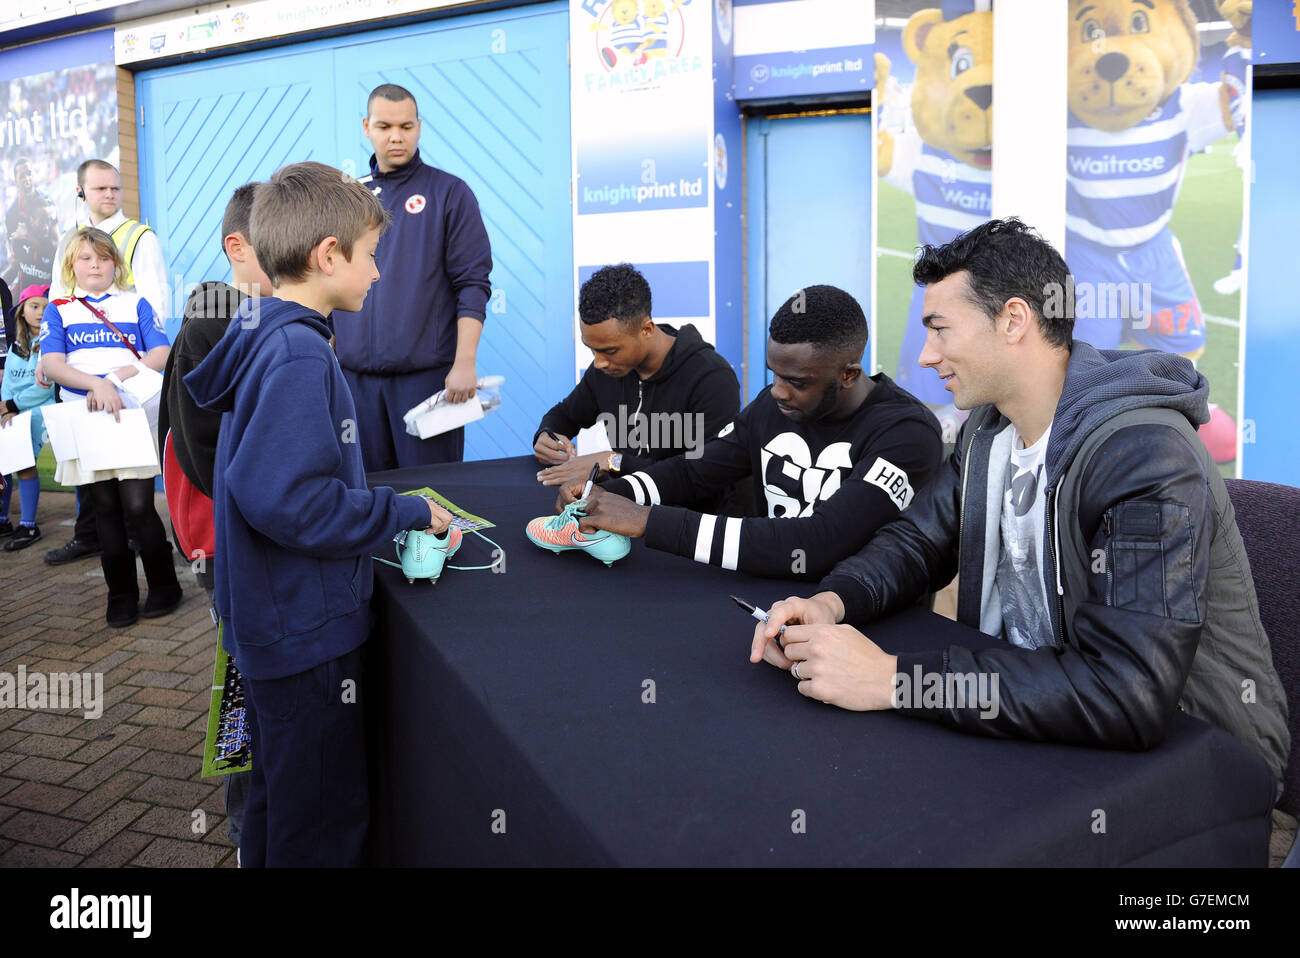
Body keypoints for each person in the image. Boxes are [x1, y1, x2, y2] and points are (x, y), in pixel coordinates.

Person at [751, 219, 1289, 797]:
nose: (926, 355)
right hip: (1033, 721)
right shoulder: (988, 428)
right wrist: (832, 602)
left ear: (1013, 320)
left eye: (939, 329)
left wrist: (895, 680)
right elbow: (917, 541)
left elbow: (1126, 693)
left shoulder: (1144, 452)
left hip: (1197, 764)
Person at [183, 160, 458, 867]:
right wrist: (398, 513)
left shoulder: (271, 336)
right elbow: (289, 500)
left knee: (281, 803)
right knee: (325, 823)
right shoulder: (301, 355)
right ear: (327, 255)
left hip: (271, 625)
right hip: (303, 635)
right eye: (370, 257)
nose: (377, 274)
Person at [557, 285, 944, 580]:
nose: (777, 389)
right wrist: (608, 495)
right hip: (771, 602)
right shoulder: (771, 405)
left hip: (870, 628)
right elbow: (696, 469)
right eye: (774, 373)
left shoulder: (906, 434)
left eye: (795, 380)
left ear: (848, 375)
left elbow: (817, 543)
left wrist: (647, 521)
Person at [157, 182, 269, 855]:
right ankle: (242, 830)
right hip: (224, 545)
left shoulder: (256, 310)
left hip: (230, 539)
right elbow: (203, 456)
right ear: (239, 247)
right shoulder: (218, 315)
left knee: (245, 681)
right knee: (238, 689)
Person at [331, 83, 492, 470]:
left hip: (428, 384)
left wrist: (464, 363)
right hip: (355, 385)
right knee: (368, 495)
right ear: (366, 126)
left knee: (436, 497)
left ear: (419, 126)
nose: (396, 136)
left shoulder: (450, 193)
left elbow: (473, 283)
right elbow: (326, 279)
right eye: (385, 126)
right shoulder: (349, 198)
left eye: (406, 126)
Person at [40, 228, 182, 627]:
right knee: (103, 507)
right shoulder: (60, 309)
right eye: (85, 259)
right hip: (84, 417)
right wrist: (96, 384)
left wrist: (115, 378)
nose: (95, 265)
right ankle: (120, 594)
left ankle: (165, 585)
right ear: (72, 266)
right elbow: (53, 364)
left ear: (116, 264)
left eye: (103, 258)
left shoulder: (135, 303)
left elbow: (160, 352)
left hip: (130, 415)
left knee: (138, 506)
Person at [45, 159, 172, 567]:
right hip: (80, 386)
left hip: (129, 386)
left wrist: (126, 374)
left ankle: (152, 563)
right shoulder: (70, 241)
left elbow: (153, 303)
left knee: (135, 500)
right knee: (98, 495)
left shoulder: (138, 236)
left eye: (115, 188)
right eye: (100, 189)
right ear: (81, 192)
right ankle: (95, 544)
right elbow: (56, 296)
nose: (110, 195)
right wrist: (46, 358)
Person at [534, 263, 742, 503]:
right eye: (591, 350)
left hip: (686, 523)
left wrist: (614, 462)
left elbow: (702, 474)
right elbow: (565, 414)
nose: (599, 362)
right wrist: (548, 435)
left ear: (646, 329)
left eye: (609, 350)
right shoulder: (607, 370)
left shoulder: (712, 378)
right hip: (621, 510)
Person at [0, 284, 55, 548]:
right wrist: (5, 405)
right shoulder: (16, 345)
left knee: (24, 462)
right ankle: (4, 518)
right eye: (34, 307)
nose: (40, 313)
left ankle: (29, 526)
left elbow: (47, 385)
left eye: (45, 307)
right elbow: (8, 381)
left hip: (38, 409)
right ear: (21, 311)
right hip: (13, 408)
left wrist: (14, 404)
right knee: (7, 459)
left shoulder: (51, 342)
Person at [4, 158, 58, 290]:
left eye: (29, 173)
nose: (26, 179)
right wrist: (10, 252)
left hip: (46, 274)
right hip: (26, 273)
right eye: (22, 176)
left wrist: (28, 237)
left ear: (34, 176)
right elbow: (9, 238)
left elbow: (56, 247)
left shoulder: (47, 204)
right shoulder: (12, 212)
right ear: (16, 182)